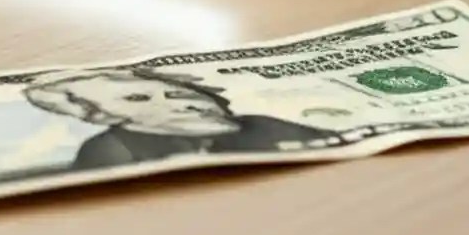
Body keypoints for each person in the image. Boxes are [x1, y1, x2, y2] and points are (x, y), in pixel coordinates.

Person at [23, 68, 337, 170]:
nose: (184, 100)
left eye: (174, 92)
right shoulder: (109, 153)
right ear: (100, 115)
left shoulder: (260, 123)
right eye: (137, 98)